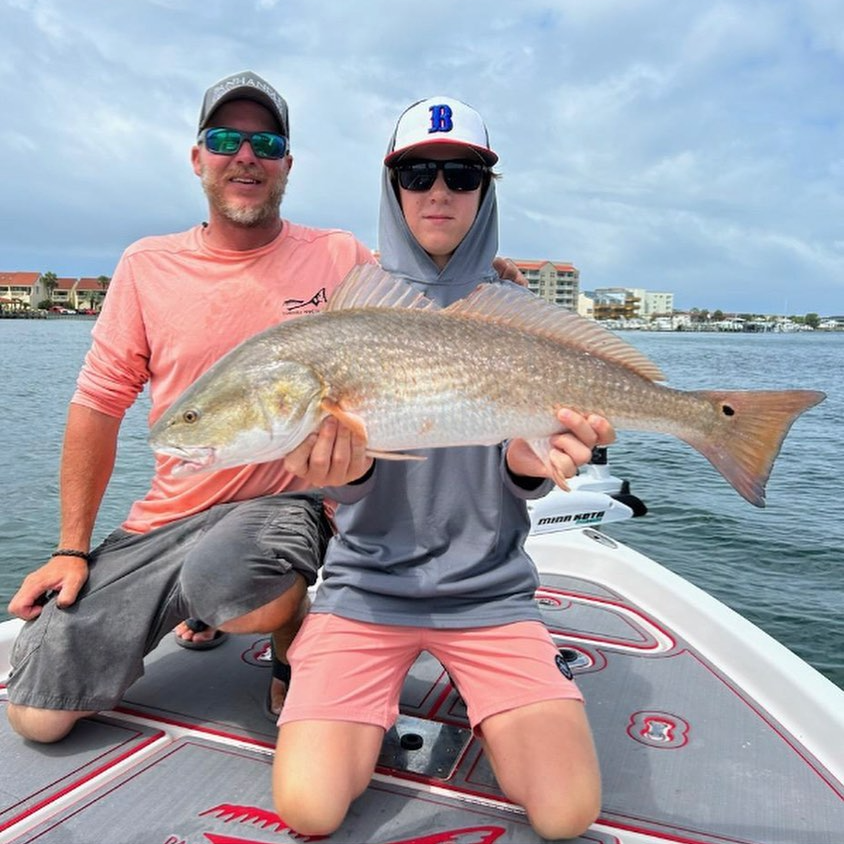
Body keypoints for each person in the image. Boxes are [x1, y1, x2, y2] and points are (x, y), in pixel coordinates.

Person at [272, 98, 607, 840]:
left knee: (566, 814)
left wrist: (529, 465)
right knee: (308, 807)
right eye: (417, 172)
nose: (438, 191)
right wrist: (343, 474)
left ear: (487, 189)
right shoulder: (345, 313)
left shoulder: (515, 310)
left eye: (463, 174)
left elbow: (525, 465)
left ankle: (498, 703)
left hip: (489, 593)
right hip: (365, 588)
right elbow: (350, 488)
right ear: (392, 186)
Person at [4, 70, 376, 738]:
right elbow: (97, 404)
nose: (246, 156)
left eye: (265, 143)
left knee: (236, 587)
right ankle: (191, 598)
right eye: (226, 138)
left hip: (284, 505)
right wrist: (71, 549)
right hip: (169, 515)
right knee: (37, 717)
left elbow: (415, 318)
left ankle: (287, 624)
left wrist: (483, 270)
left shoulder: (340, 255)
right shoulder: (147, 266)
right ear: (198, 157)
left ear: (287, 164)